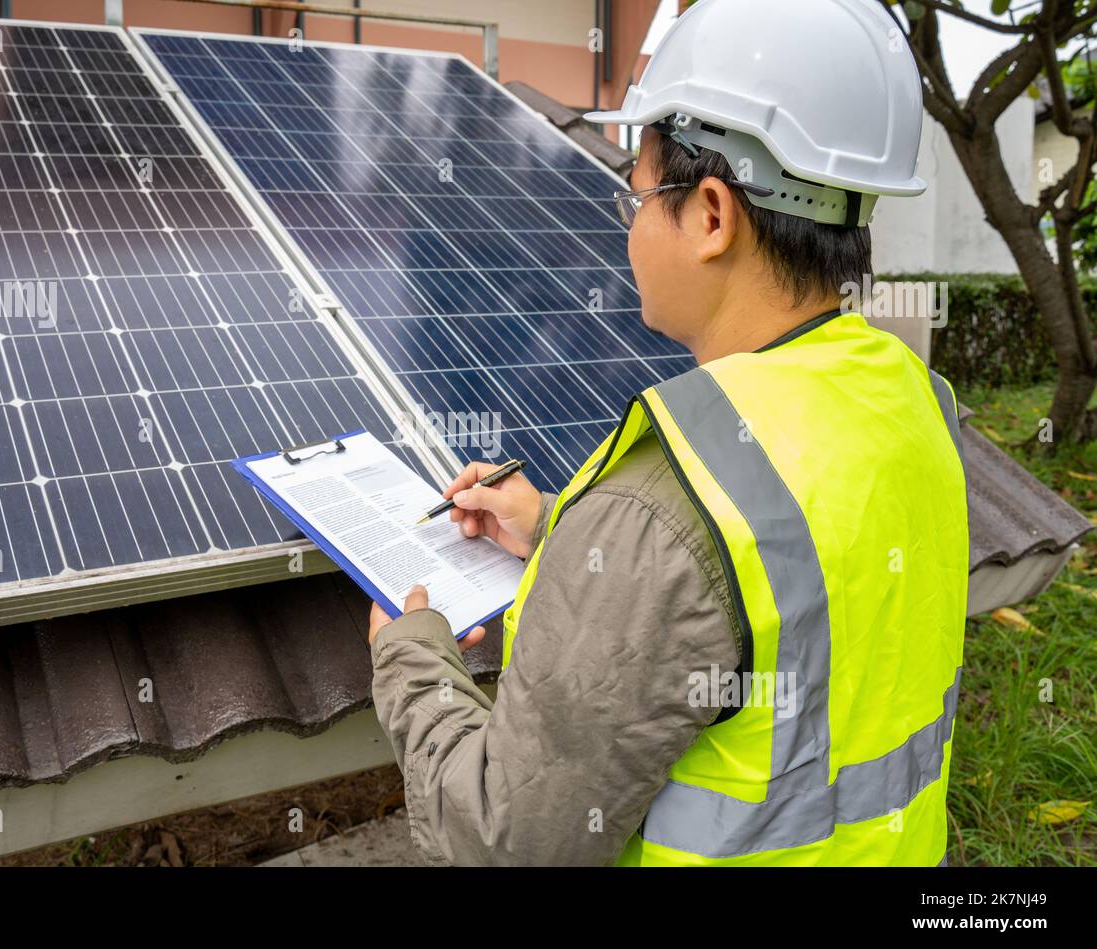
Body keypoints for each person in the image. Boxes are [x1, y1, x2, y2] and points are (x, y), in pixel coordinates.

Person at [366, 0, 968, 866]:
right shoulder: (915, 399)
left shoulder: (667, 509)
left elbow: (504, 838)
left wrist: (409, 657)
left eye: (638, 197)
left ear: (713, 215)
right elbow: (794, 598)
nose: (631, 228)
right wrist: (559, 539)